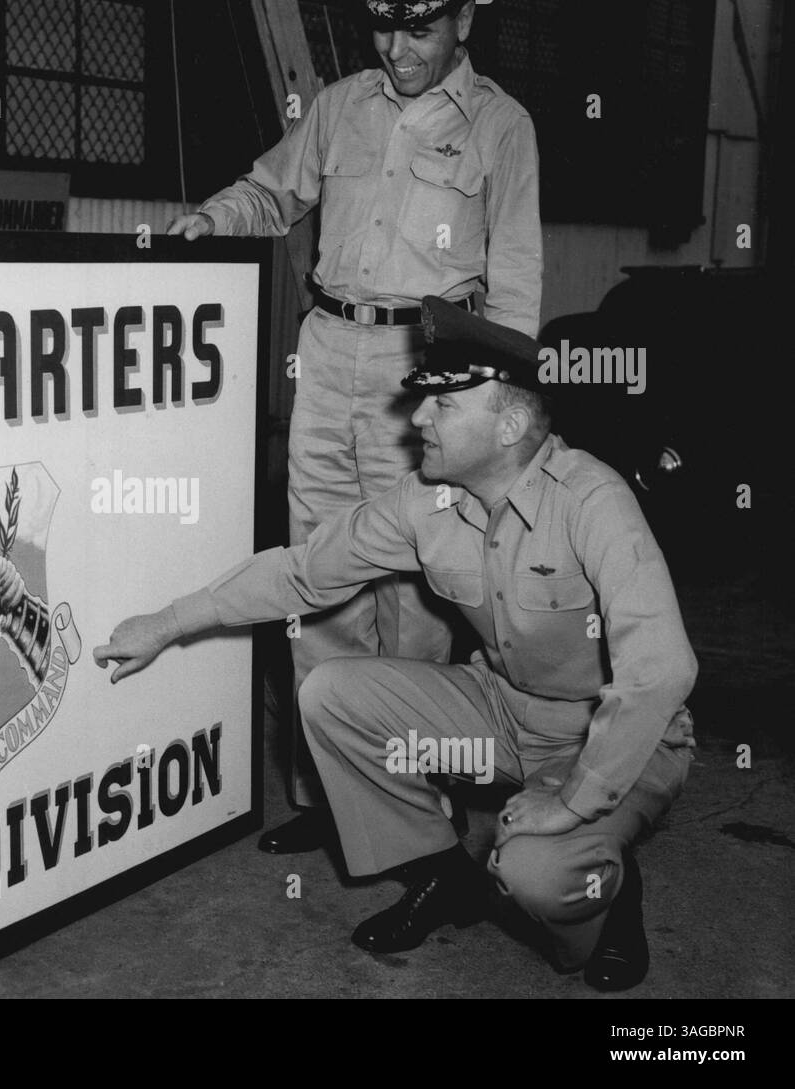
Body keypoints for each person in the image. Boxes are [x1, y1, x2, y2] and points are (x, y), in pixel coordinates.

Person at [93, 297, 696, 991]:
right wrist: (168, 622)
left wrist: (574, 800)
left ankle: (608, 886)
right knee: (329, 693)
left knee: (536, 872)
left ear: (511, 423)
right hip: (503, 712)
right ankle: (445, 876)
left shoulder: (593, 499)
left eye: (443, 406)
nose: (417, 420)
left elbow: (661, 669)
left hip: (621, 735)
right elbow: (300, 573)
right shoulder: (425, 502)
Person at [167, 0, 542, 855]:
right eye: (382, 28)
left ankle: (413, 825)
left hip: (424, 367)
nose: (396, 49)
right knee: (319, 579)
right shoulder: (338, 107)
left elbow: (516, 286)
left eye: (418, 29)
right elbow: (271, 189)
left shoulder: (503, 127)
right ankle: (332, 801)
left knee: (414, 601)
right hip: (328, 351)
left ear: (464, 22)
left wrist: (493, 415)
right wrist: (214, 219)